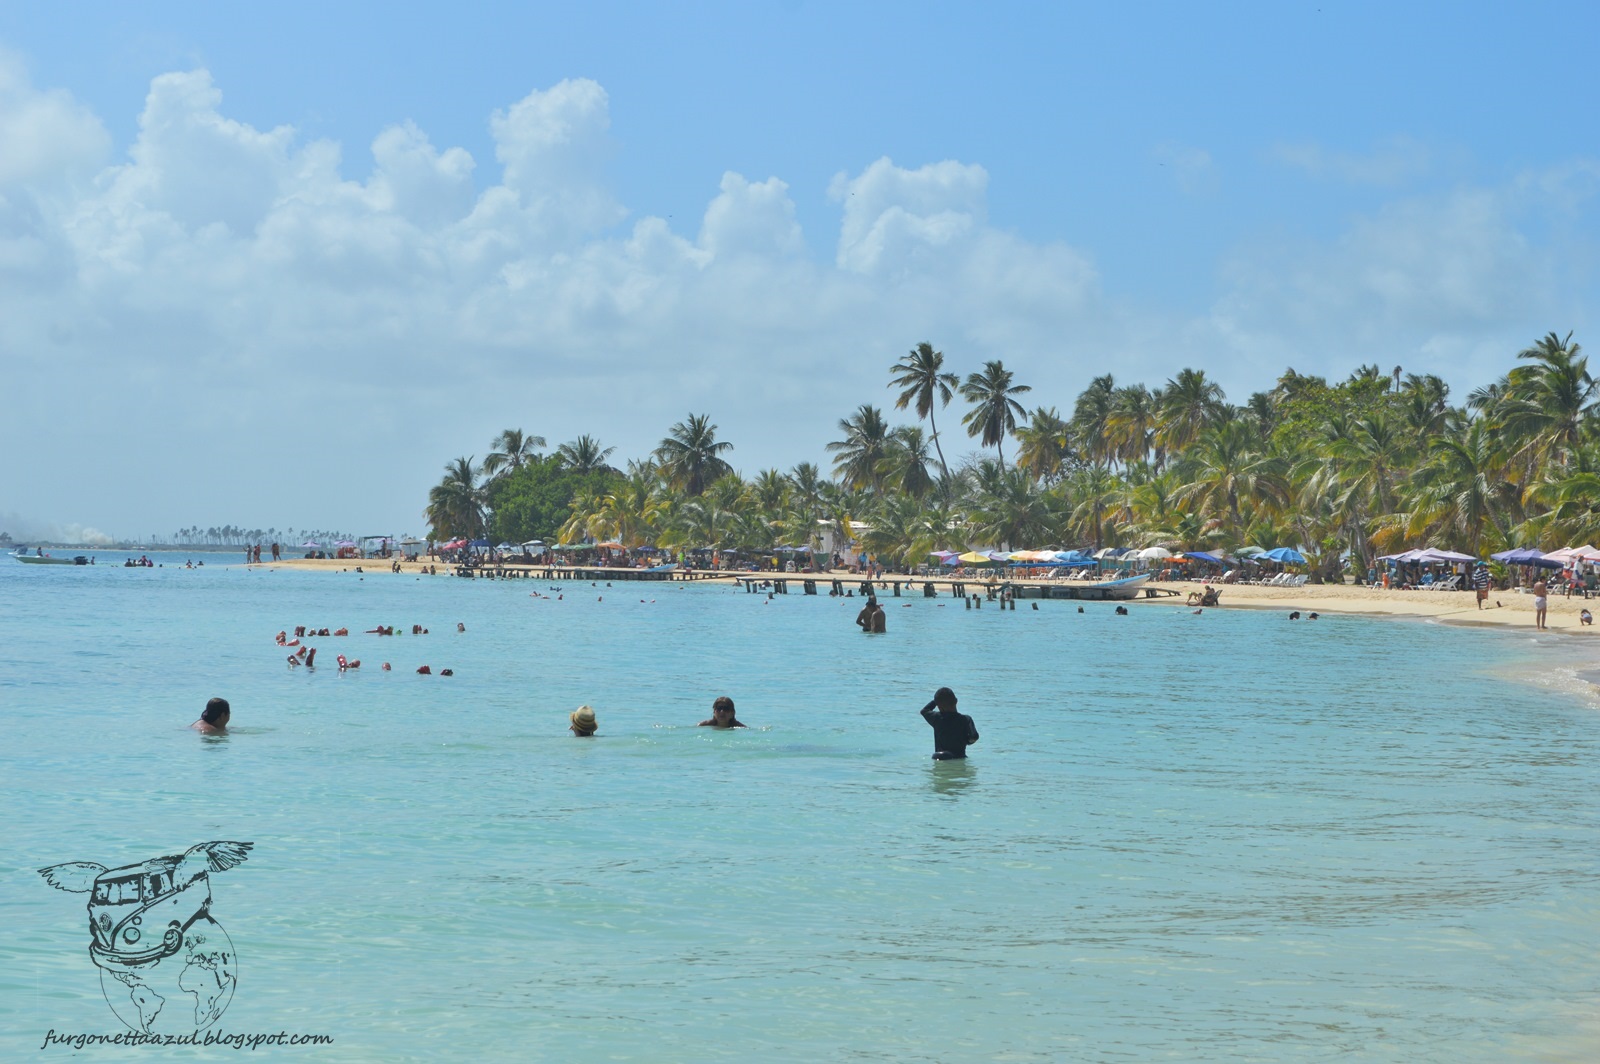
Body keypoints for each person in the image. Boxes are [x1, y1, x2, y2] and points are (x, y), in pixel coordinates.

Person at [920, 687, 978, 760]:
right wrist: (966, 741)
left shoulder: (936, 718)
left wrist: (936, 701)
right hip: (958, 758)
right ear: (956, 701)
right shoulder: (966, 719)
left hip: (940, 758)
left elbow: (924, 711)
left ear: (939, 707)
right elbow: (974, 737)